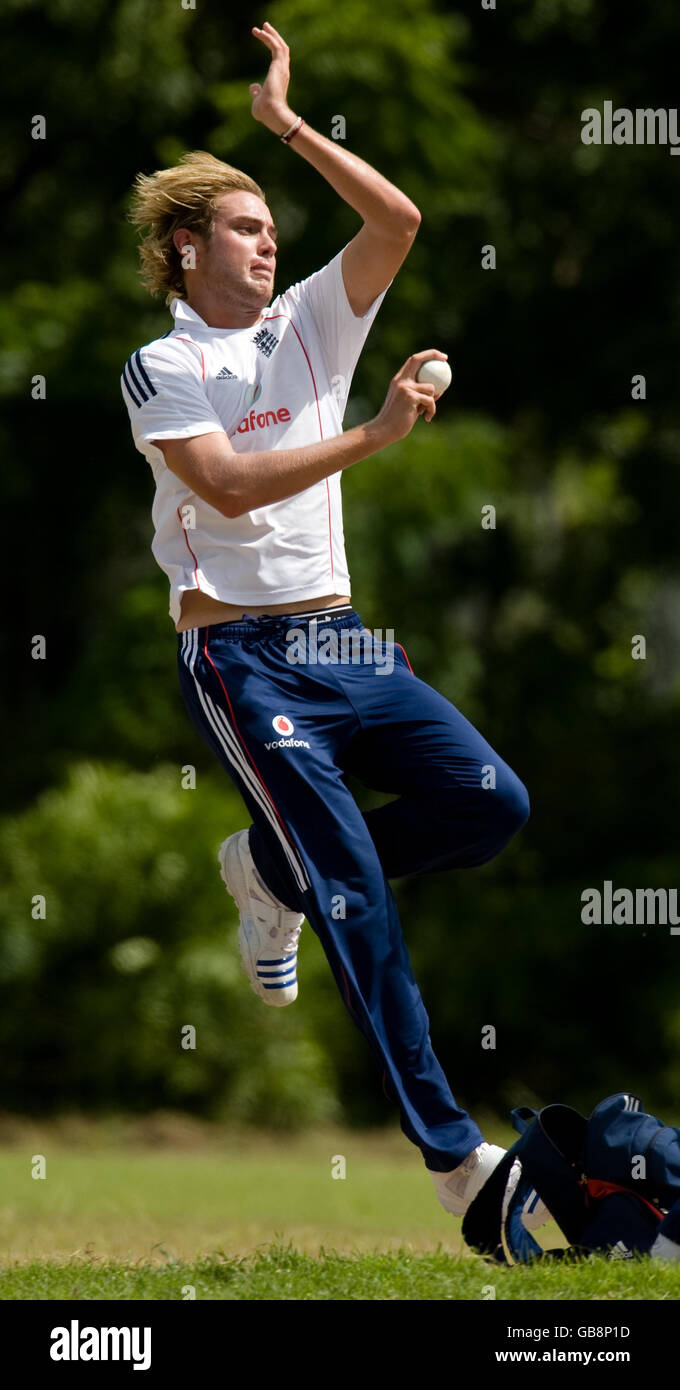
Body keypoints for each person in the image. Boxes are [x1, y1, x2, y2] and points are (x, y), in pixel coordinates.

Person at [121, 21, 541, 1226]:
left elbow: (398, 222)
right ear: (186, 245)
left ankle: (265, 871)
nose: (267, 245)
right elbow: (231, 486)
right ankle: (459, 1163)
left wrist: (284, 129)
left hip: (345, 640)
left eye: (270, 227)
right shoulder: (164, 365)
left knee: (490, 803)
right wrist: (376, 436)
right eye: (245, 227)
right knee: (355, 880)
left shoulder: (310, 320)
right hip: (240, 658)